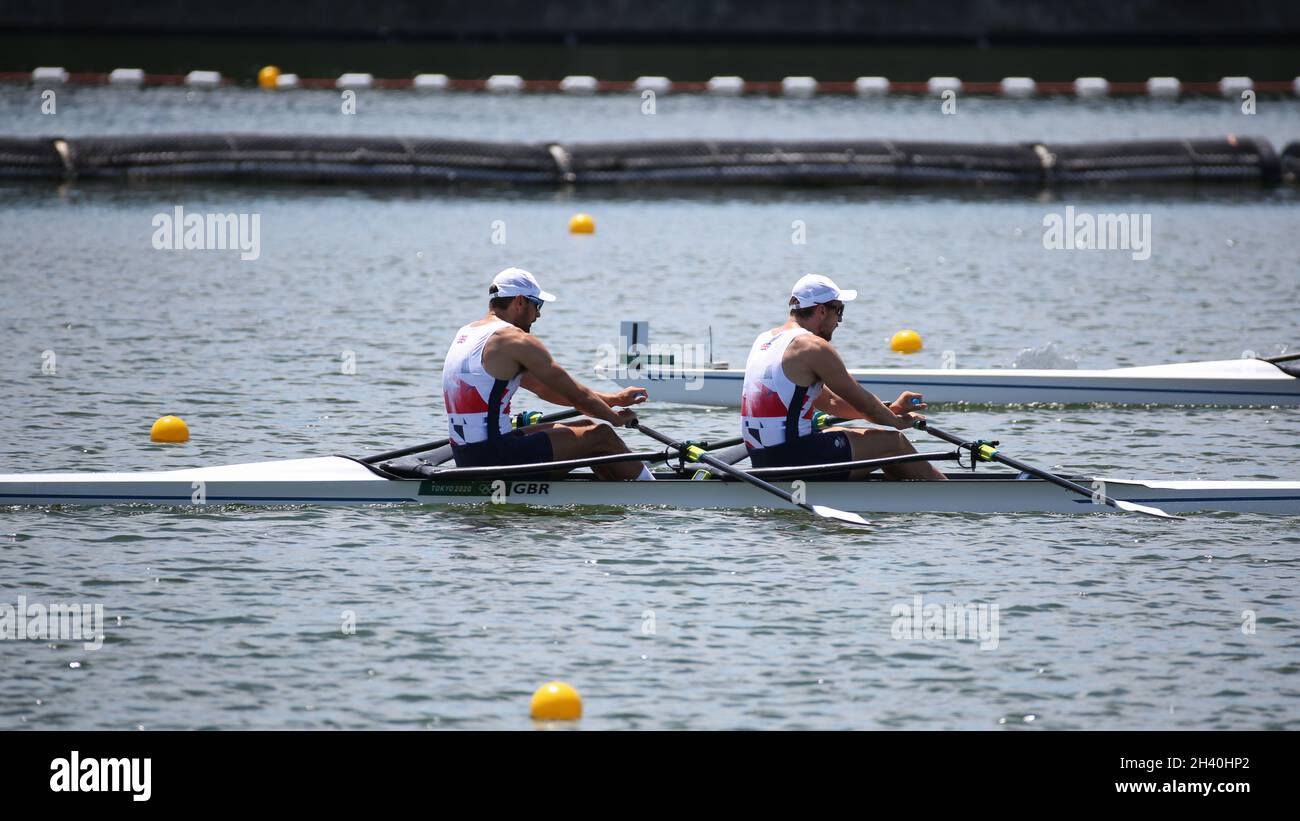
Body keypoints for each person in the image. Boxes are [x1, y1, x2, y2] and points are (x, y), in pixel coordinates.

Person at [442, 267, 653, 480]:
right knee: (602, 435)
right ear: (520, 301)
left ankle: (618, 490)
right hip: (496, 458)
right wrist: (614, 419)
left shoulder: (467, 333)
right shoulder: (514, 340)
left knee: (587, 427)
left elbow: (546, 389)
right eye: (537, 305)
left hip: (467, 456)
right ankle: (651, 493)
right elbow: (577, 396)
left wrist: (613, 400)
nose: (539, 314)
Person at [739, 274, 946, 480]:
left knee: (841, 431)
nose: (839, 321)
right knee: (895, 443)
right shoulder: (812, 347)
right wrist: (896, 422)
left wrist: (892, 411)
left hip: (762, 459)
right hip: (792, 461)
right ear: (821, 310)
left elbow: (831, 401)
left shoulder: (764, 339)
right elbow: (864, 403)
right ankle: (945, 497)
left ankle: (900, 495)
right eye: (838, 310)